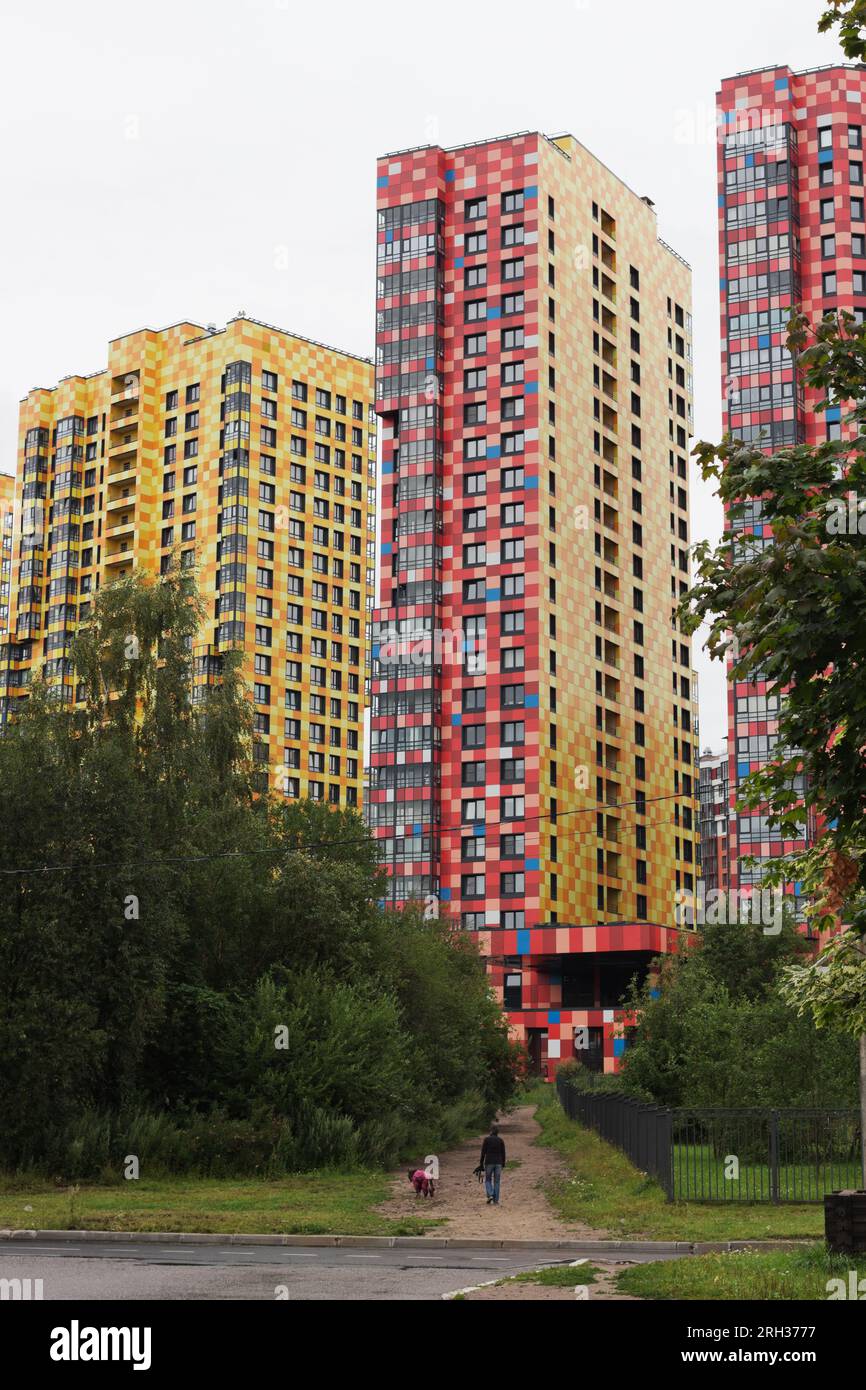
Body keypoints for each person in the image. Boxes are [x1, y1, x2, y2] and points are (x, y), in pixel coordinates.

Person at [479, 1124, 506, 1206]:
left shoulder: (487, 1140)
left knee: (488, 1180)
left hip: (489, 1162)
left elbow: (483, 1152)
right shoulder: (500, 1140)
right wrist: (503, 1163)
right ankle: (496, 1201)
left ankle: (490, 1194)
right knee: (497, 1182)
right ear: (497, 1132)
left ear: (491, 1131)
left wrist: (481, 1164)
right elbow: (503, 1153)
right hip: (498, 1163)